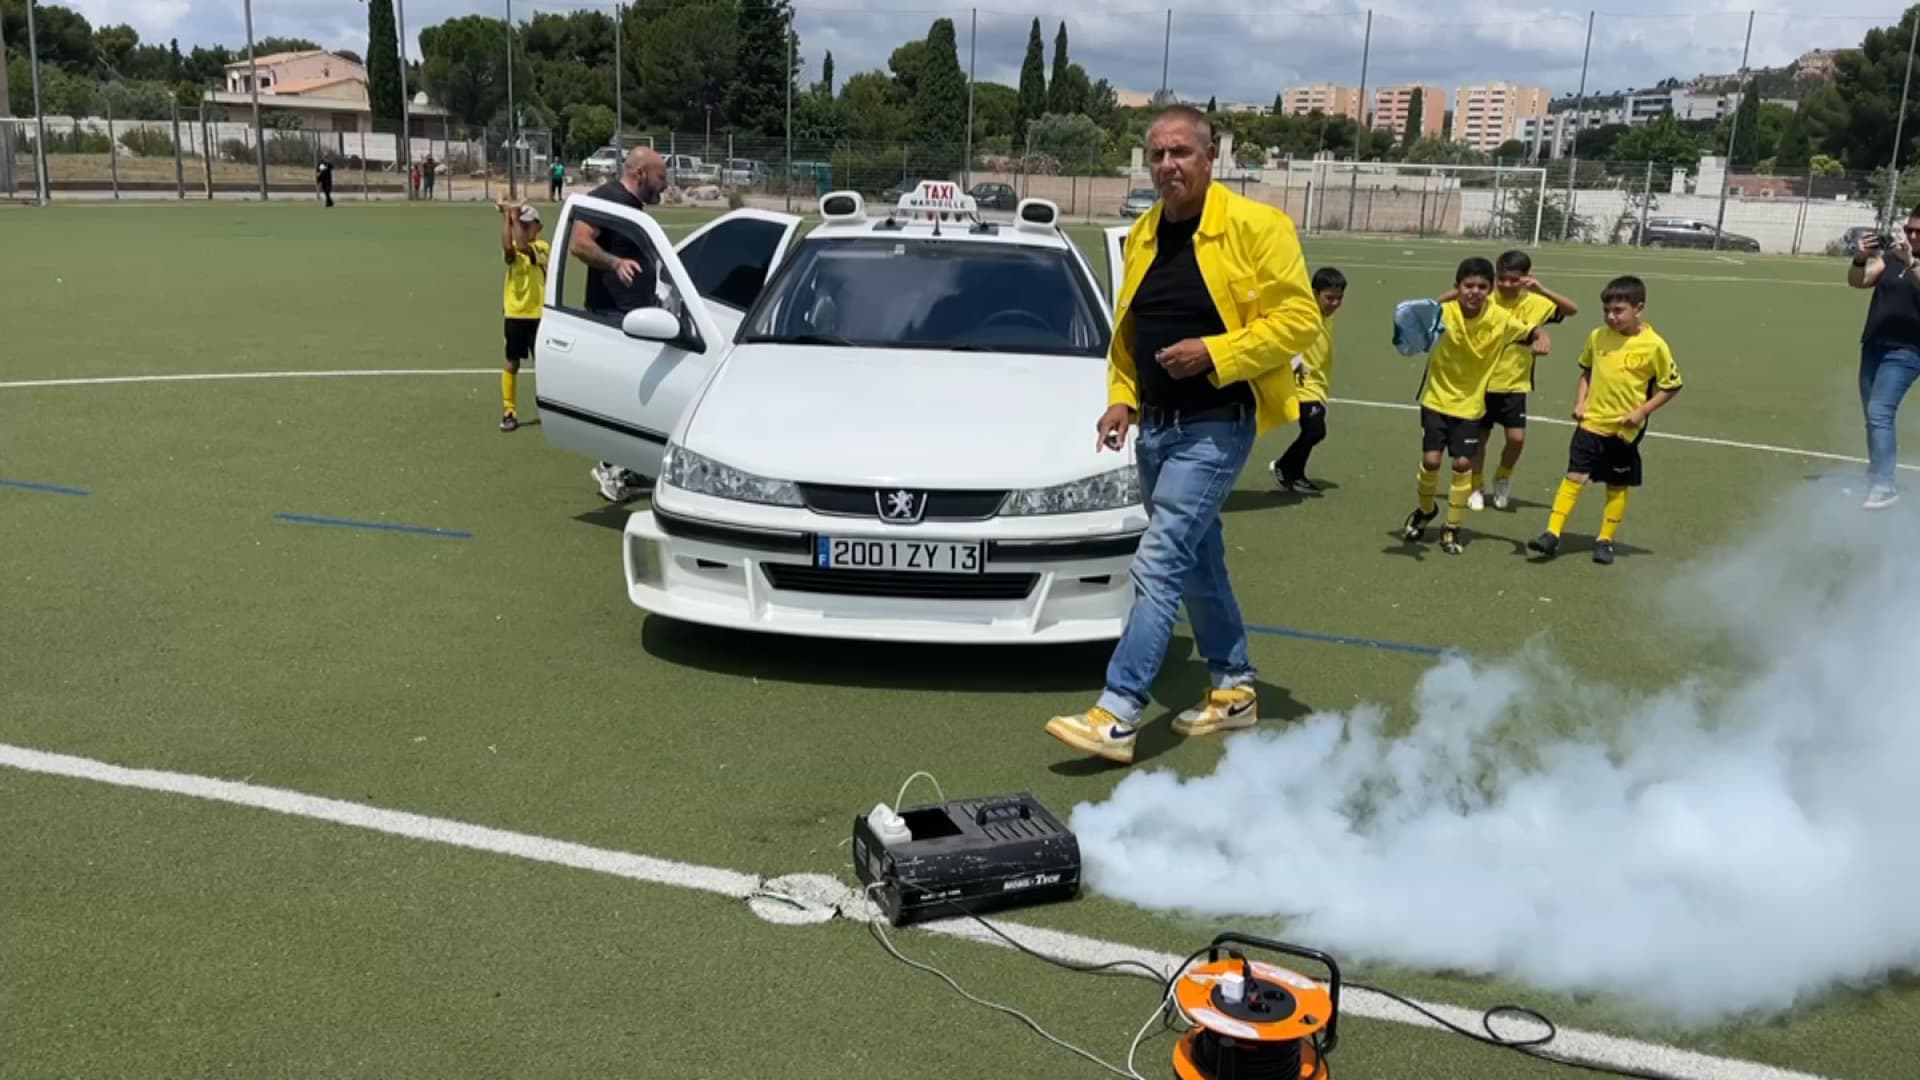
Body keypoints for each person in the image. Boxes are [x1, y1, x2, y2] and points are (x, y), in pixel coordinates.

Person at [1045, 105, 1324, 766]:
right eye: (1157, 155)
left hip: (1216, 425)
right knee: (1200, 561)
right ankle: (1234, 690)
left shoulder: (1259, 227)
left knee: (1161, 559)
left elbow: (1299, 320)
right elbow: (1128, 336)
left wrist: (1216, 353)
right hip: (1156, 431)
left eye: (1181, 153)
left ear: (1211, 155)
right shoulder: (1142, 234)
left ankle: (1117, 711)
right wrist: (1122, 400)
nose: (1168, 166)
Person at [1527, 275, 1683, 565]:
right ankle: (1552, 533)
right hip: (1591, 423)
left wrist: (1642, 412)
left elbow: (1671, 385)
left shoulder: (1654, 345)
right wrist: (1580, 402)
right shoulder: (1597, 336)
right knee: (1575, 476)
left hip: (1624, 430)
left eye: (1619, 311)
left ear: (1639, 309)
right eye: (1607, 311)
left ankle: (1605, 539)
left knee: (1616, 484)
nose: (1611, 317)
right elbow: (1586, 372)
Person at [1400, 257, 1541, 555]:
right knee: (1431, 461)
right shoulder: (1444, 313)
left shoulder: (1500, 318)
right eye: (1468, 285)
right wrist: (1438, 304)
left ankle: (1452, 527)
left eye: (1481, 286)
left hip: (1471, 406)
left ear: (1489, 290)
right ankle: (1426, 510)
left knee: (1462, 464)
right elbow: (1414, 316)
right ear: (1457, 287)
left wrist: (1542, 337)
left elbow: (1531, 332)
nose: (1474, 291)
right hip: (1437, 399)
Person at [568, 146, 671, 501]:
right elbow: (579, 244)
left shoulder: (634, 208)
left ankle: (631, 464)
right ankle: (610, 465)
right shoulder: (607, 198)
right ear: (641, 174)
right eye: (661, 177)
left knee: (640, 394)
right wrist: (614, 263)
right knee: (620, 395)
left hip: (639, 316)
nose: (665, 185)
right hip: (612, 318)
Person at [1468, 250, 1577, 510]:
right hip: (1481, 382)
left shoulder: (1537, 302)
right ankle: (1475, 485)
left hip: (1515, 384)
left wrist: (1541, 289)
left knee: (1516, 439)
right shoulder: (1485, 299)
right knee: (1479, 439)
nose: (1506, 285)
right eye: (1502, 279)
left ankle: (1502, 478)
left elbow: (1571, 309)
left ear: (1526, 278)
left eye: (1514, 280)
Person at [1846, 212, 1920, 510]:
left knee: (1880, 412)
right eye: (1909, 229)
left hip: (1908, 350)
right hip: (1874, 344)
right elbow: (1858, 281)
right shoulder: (1892, 256)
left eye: (1918, 231)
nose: (1912, 236)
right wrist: (1861, 257)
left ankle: (1885, 485)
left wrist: (1910, 262)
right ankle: (1876, 475)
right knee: (1872, 416)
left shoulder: (1906, 259)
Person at [1268, 267, 1347, 492]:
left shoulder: (1326, 315)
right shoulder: (1306, 313)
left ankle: (1296, 473)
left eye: (1339, 298)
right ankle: (1284, 468)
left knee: (1314, 431)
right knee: (1314, 429)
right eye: (1329, 298)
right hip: (1303, 382)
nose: (1334, 303)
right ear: (1314, 293)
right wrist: (1295, 363)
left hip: (1319, 383)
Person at [498, 201, 549, 433]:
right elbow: (509, 248)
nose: (524, 229)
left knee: (545, 365)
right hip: (515, 314)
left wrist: (514, 216)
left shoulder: (542, 248)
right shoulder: (515, 252)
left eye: (528, 225)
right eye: (522, 225)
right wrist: (506, 218)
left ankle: (550, 409)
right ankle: (509, 411)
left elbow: (521, 245)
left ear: (538, 227)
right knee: (512, 362)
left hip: (538, 315)